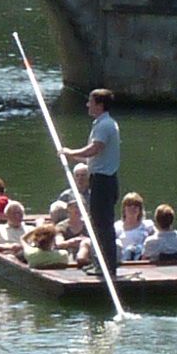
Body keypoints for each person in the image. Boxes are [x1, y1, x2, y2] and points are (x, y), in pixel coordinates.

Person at [61, 88, 120, 277]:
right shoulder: (103, 123)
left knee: (102, 226)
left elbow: (95, 148)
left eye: (90, 102)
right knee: (99, 224)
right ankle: (100, 264)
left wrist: (71, 152)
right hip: (101, 179)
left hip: (103, 182)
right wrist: (74, 159)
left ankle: (107, 268)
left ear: (100, 105)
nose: (87, 105)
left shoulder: (105, 125)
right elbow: (95, 159)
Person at [116, 192, 150, 261]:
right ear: (124, 209)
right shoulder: (117, 227)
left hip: (141, 260)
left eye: (136, 205)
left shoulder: (148, 225)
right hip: (123, 261)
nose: (132, 207)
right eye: (129, 205)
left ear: (140, 209)